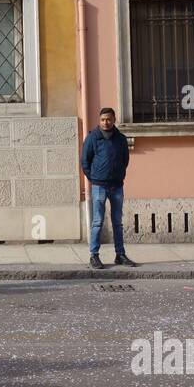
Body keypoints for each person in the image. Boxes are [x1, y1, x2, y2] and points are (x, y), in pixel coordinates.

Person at [80, 107, 136, 269]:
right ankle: (94, 255)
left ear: (114, 120)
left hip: (117, 186)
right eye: (103, 119)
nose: (106, 122)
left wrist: (119, 175)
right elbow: (85, 161)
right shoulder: (92, 138)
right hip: (99, 186)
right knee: (97, 222)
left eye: (109, 119)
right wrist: (94, 178)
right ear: (100, 120)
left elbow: (125, 160)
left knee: (117, 222)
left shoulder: (120, 139)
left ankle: (120, 254)